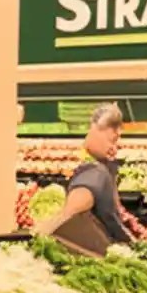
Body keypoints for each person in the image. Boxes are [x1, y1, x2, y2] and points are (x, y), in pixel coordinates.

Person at [36, 103, 134, 246]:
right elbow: (76, 206)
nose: (113, 147)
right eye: (112, 139)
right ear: (97, 130)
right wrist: (48, 229)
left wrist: (110, 167)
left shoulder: (101, 168)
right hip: (97, 249)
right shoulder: (94, 171)